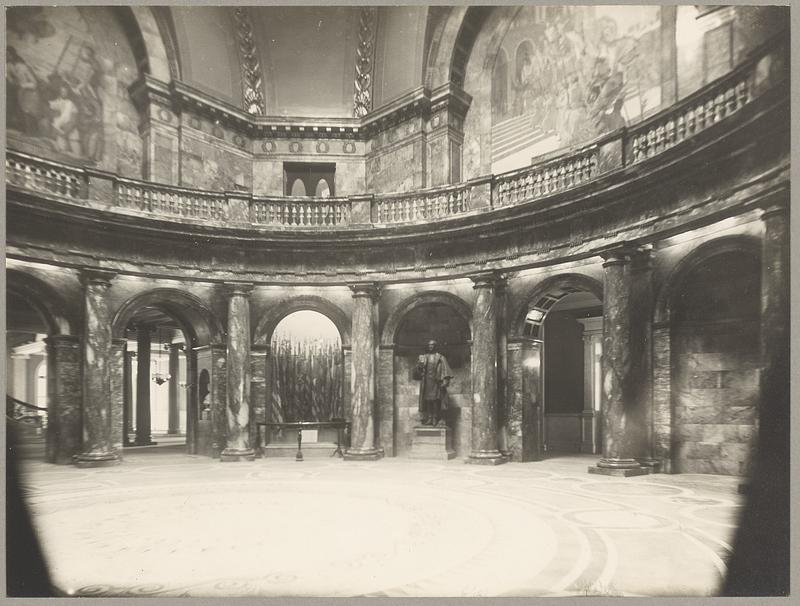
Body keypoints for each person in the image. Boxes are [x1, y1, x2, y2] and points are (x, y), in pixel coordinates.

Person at [414, 339, 453, 426]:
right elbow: (417, 372)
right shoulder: (425, 357)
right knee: (428, 400)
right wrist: (419, 366)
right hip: (427, 381)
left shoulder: (440, 357)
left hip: (436, 382)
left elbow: (446, 370)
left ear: (435, 346)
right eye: (429, 345)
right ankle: (429, 418)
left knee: (435, 400)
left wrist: (445, 381)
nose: (430, 346)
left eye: (432, 345)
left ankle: (435, 417)